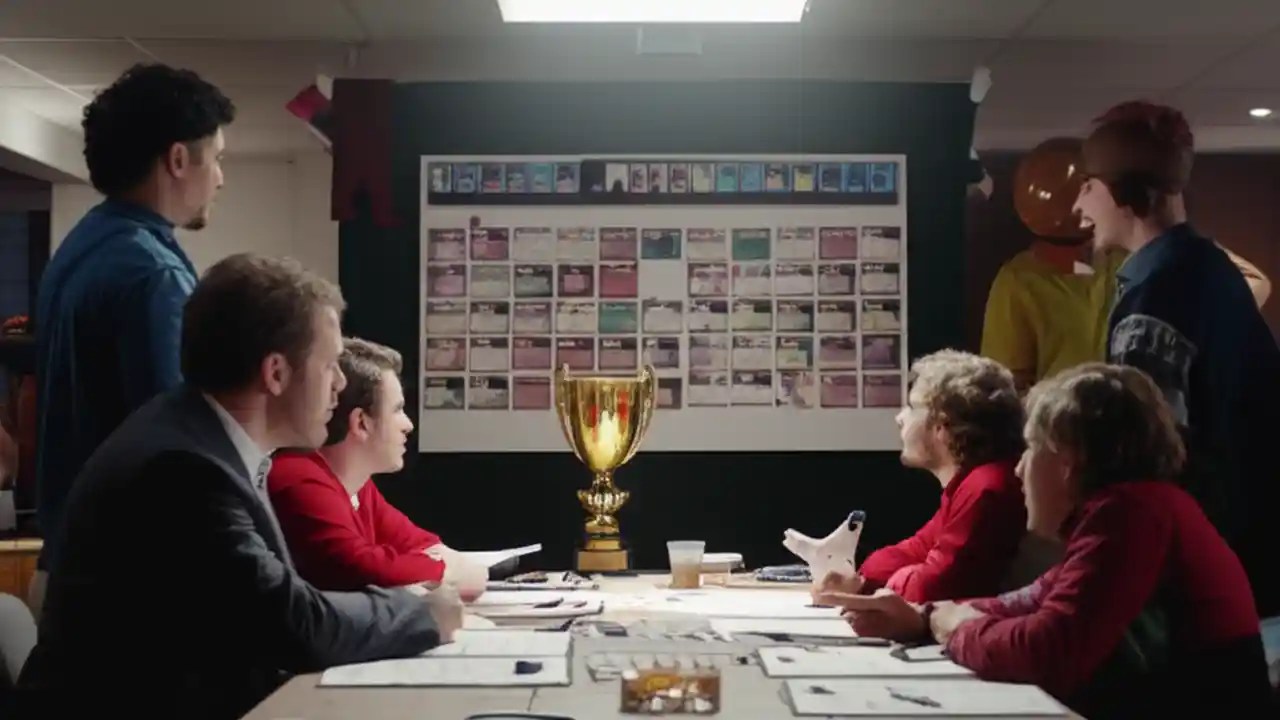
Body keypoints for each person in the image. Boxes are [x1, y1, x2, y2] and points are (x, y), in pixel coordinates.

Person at [16, 254, 459, 720]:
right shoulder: (184, 470)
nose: (341, 384)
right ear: (276, 373)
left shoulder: (195, 439)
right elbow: (291, 625)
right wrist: (419, 614)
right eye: (330, 365)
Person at [819, 364, 1272, 719]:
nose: (1018, 469)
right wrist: (927, 615)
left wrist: (953, 628)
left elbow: (1048, 649)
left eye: (1031, 449)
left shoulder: (1130, 514)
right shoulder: (1124, 512)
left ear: (1067, 458)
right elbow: (1030, 602)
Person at [32, 63, 234, 616]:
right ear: (177, 160)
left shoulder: (82, 247)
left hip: (72, 560)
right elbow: (175, 450)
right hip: (129, 583)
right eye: (214, 158)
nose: (219, 177)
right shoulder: (153, 274)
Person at [1075, 99, 1280, 616]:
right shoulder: (1215, 272)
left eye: (1089, 185)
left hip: (1198, 576)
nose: (1079, 204)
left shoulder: (1154, 298)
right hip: (1248, 561)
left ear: (1125, 194)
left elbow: (1150, 466)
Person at [980, 136, 1270, 395]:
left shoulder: (1146, 258)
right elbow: (1005, 381)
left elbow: (1253, 285)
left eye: (1090, 189)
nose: (1082, 209)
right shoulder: (1019, 280)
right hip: (1070, 428)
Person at [268, 337, 487, 597]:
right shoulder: (296, 476)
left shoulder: (356, 486)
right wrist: (443, 571)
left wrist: (441, 569)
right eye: (397, 410)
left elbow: (423, 545)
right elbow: (361, 567)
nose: (408, 425)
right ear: (361, 423)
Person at [813, 350, 1028, 604]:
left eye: (912, 406)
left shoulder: (985, 489)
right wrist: (863, 581)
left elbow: (934, 589)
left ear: (942, 425)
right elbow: (914, 550)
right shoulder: (970, 485)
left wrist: (877, 585)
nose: (899, 418)